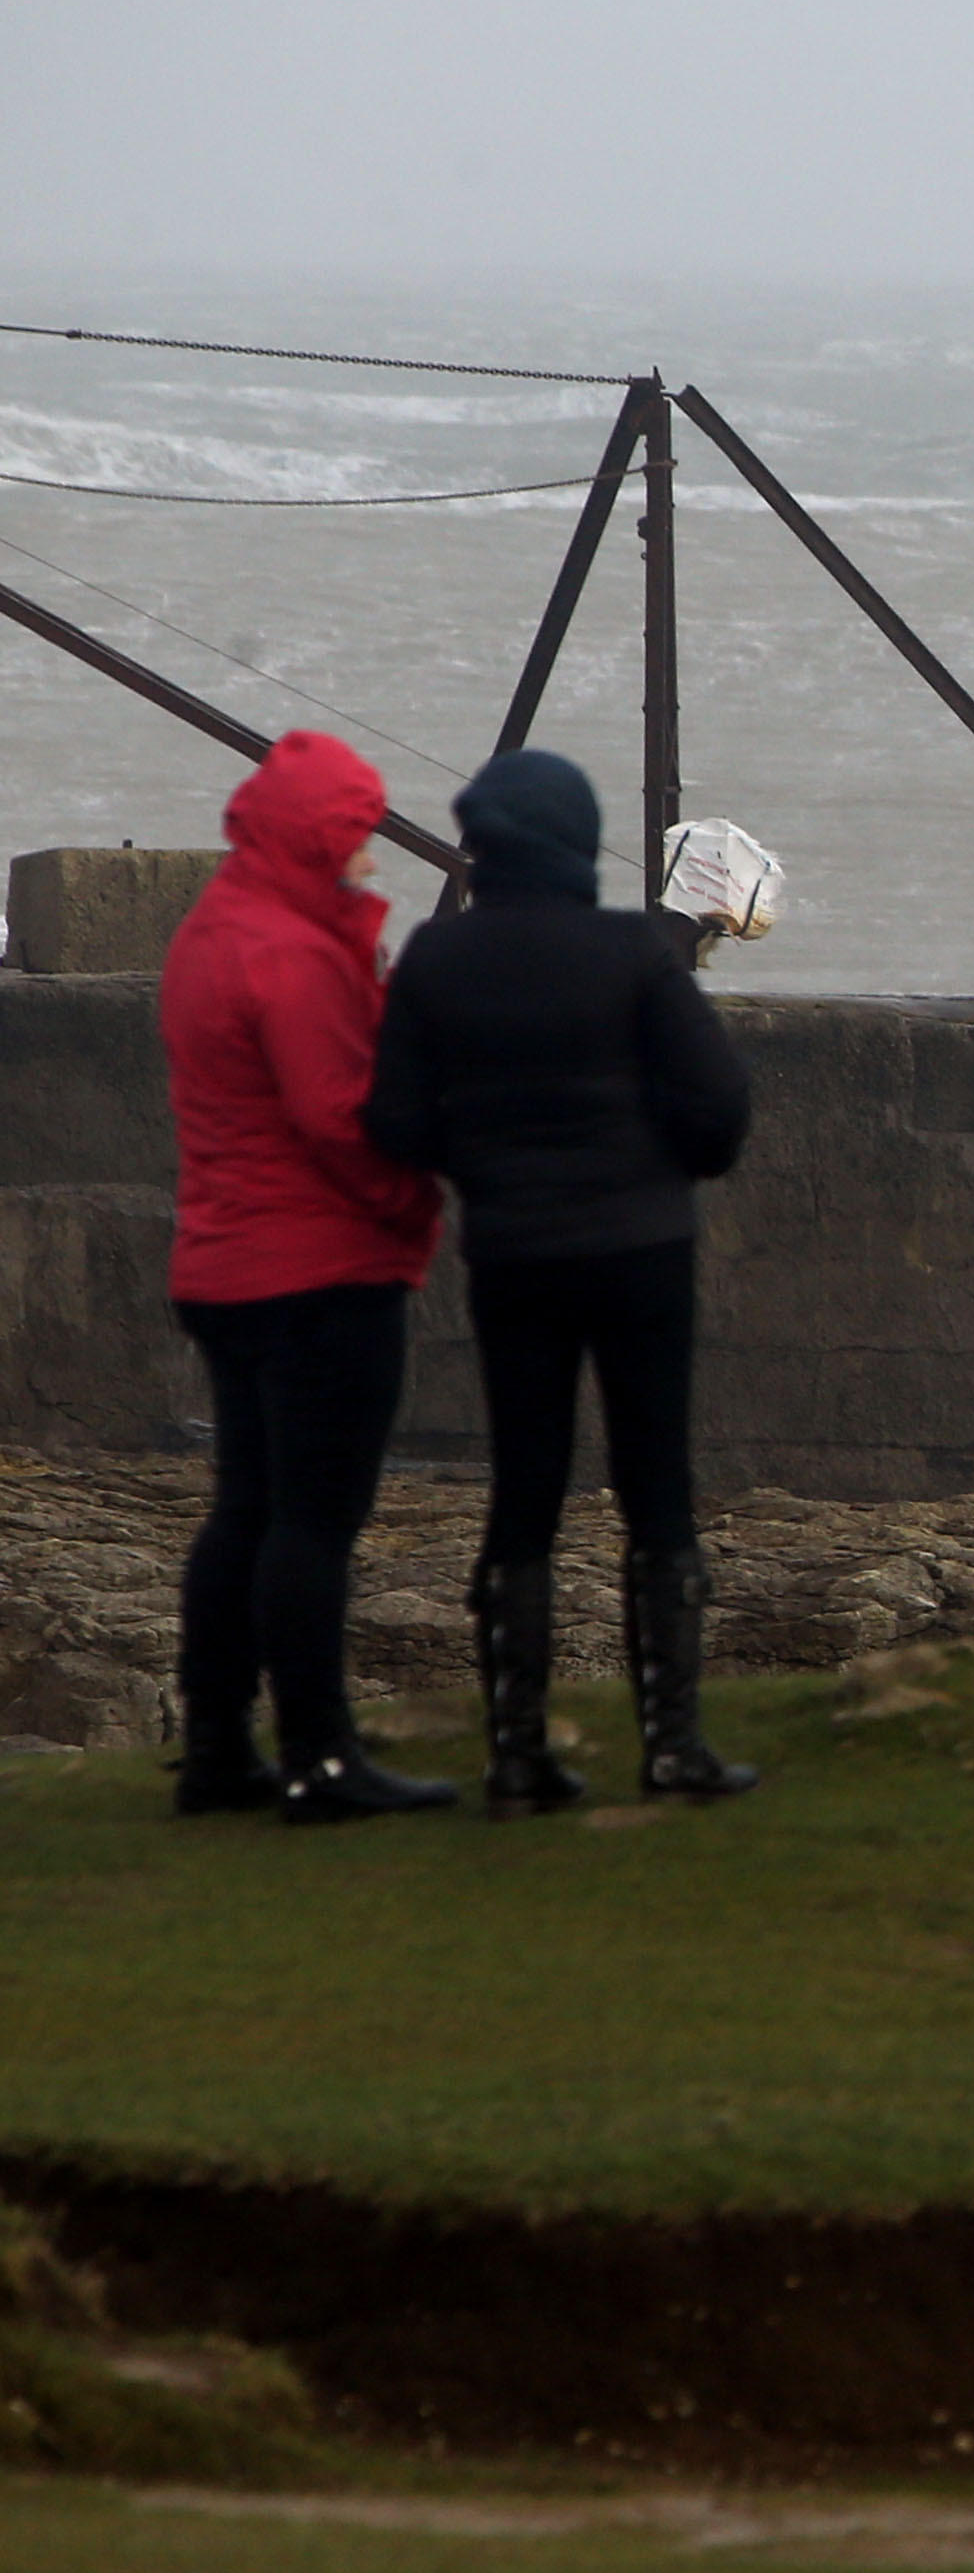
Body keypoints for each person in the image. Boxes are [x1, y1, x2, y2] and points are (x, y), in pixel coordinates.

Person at [366, 751, 758, 1813]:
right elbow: (719, 1106)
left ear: (482, 845)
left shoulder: (438, 957)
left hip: (513, 1251)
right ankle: (673, 1745)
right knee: (655, 1483)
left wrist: (486, 1162)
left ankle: (516, 1755)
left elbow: (394, 1121)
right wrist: (668, 1162)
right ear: (578, 843)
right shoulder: (631, 952)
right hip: (642, 1248)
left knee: (525, 1490)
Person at [158, 732, 453, 1824]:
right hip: (317, 1270)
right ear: (315, 839)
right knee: (314, 1520)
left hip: (225, 1261)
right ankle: (320, 1756)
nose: (370, 860)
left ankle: (216, 1748)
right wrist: (414, 1201)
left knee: (246, 1508)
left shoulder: (213, 928)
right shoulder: (292, 953)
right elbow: (339, 1117)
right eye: (359, 837)